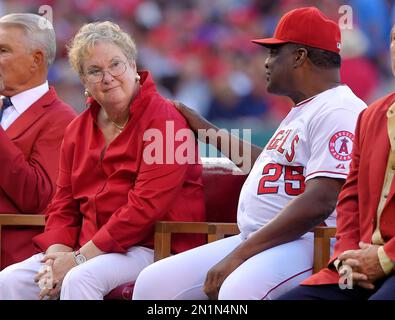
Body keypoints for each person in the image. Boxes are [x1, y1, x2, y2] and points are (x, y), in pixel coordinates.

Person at [132, 7, 367, 300]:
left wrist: (239, 255)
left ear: (300, 57)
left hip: (310, 241)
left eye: (273, 53)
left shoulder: (339, 110)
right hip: (265, 239)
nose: (266, 62)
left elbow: (322, 199)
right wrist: (207, 130)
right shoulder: (307, 107)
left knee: (237, 291)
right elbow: (266, 166)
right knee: (154, 284)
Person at [0, 21, 205, 300]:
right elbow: (63, 202)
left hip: (153, 246)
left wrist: (78, 259)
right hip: (88, 247)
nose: (107, 77)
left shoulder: (166, 121)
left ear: (133, 67)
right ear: (84, 82)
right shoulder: (78, 128)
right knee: (10, 280)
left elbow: (144, 208)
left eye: (116, 65)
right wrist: (56, 254)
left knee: (80, 279)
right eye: (94, 71)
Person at [278, 25, 395, 300]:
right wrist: (345, 258)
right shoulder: (371, 115)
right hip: (359, 266)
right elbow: (350, 197)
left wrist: (383, 258)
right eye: (394, 38)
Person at [0, 13, 76, 269]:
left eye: (3, 50)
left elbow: (38, 198)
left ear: (36, 59)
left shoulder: (61, 119)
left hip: (13, 254)